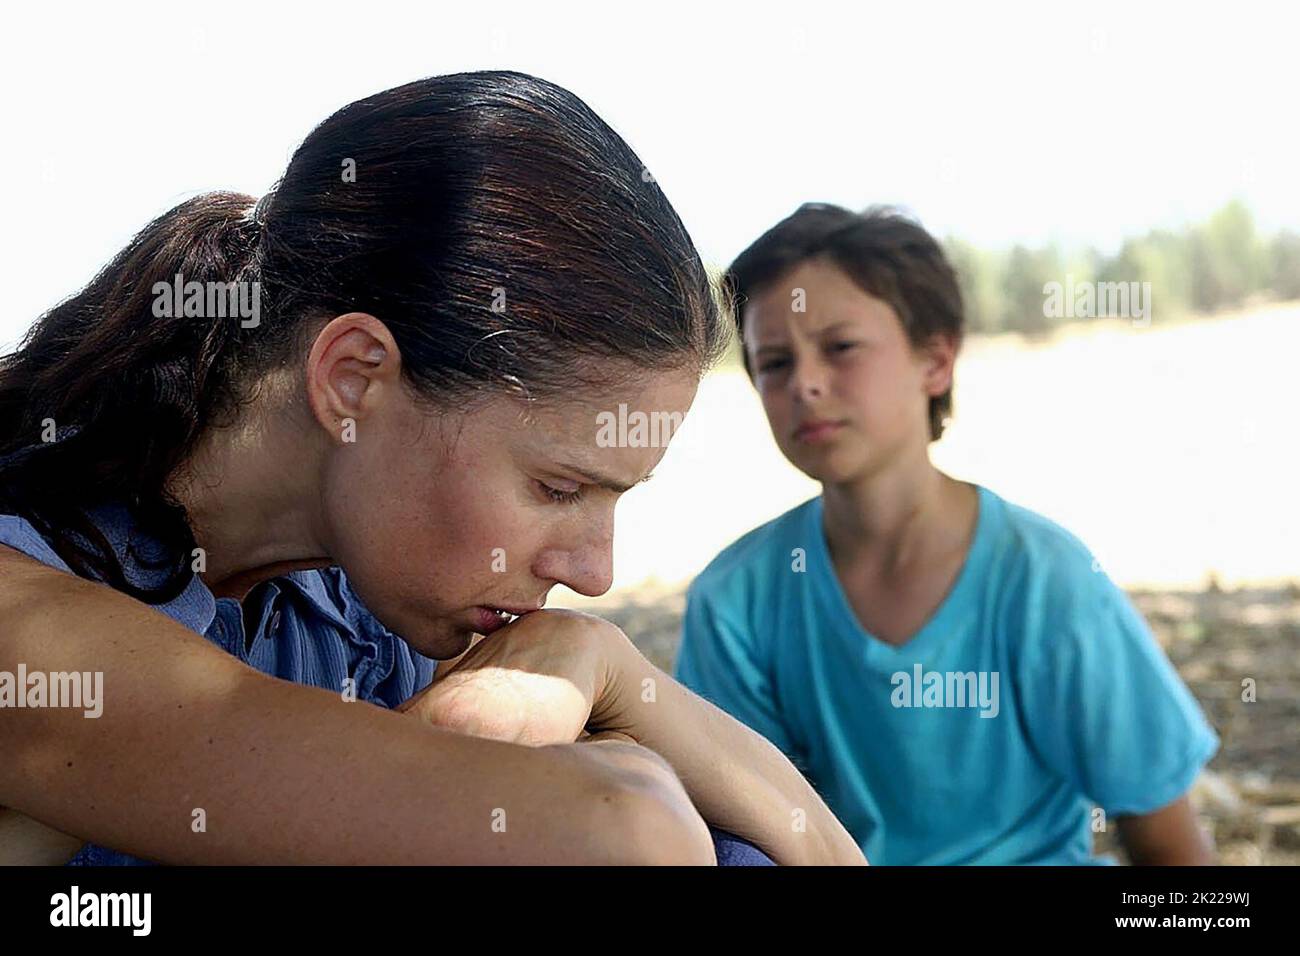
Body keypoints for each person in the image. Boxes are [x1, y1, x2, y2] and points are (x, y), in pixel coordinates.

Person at [0, 73, 865, 866]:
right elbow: (622, 831)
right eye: (557, 488)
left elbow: (822, 852)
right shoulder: (30, 624)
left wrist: (595, 658)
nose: (595, 572)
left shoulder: (350, 614)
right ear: (352, 380)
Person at [675, 203, 1219, 865]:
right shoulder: (738, 599)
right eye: (774, 363)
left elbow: (1169, 842)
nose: (807, 384)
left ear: (935, 360)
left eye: (841, 348)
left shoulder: (1047, 581)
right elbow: (739, 833)